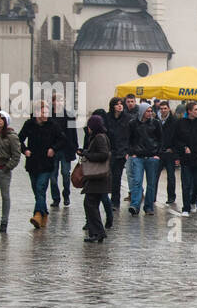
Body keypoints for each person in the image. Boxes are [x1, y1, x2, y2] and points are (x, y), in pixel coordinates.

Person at [20, 102, 61, 229]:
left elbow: (62, 139)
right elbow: (19, 139)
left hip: (47, 163)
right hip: (32, 162)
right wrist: (25, 150)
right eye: (43, 112)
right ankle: (44, 213)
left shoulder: (53, 125)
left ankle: (37, 214)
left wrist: (53, 148)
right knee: (37, 191)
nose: (46, 115)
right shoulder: (29, 124)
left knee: (40, 187)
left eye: (47, 113)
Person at [173, 101, 197, 215]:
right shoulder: (181, 123)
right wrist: (183, 148)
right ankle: (186, 207)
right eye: (196, 109)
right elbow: (176, 139)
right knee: (186, 184)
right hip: (186, 159)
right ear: (189, 111)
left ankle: (194, 200)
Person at [78, 114, 111, 243]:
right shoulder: (99, 136)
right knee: (91, 204)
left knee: (90, 204)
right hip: (98, 177)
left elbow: (103, 155)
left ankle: (98, 232)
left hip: (98, 176)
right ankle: (95, 232)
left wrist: (87, 154)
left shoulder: (99, 138)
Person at [127, 103, 161, 215]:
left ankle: (149, 206)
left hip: (152, 157)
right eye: (148, 111)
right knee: (137, 181)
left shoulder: (155, 123)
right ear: (142, 112)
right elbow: (129, 139)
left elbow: (161, 139)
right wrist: (132, 152)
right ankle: (135, 205)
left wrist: (157, 154)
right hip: (138, 157)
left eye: (151, 111)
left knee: (151, 183)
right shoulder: (133, 123)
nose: (150, 113)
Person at [49, 96, 78, 209]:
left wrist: (75, 147)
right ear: (53, 102)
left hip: (66, 149)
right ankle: (56, 198)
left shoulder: (69, 115)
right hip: (53, 150)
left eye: (61, 100)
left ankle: (66, 195)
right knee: (52, 176)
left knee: (66, 174)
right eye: (57, 100)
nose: (59, 103)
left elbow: (73, 132)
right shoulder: (49, 116)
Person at [106, 95, 134, 206]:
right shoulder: (107, 118)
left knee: (117, 177)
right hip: (109, 151)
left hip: (122, 152)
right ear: (112, 106)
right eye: (117, 104)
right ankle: (106, 199)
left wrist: (128, 151)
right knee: (108, 177)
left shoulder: (128, 118)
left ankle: (115, 202)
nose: (119, 106)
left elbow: (131, 136)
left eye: (121, 104)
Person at [154, 100, 178, 206]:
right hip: (158, 153)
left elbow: (178, 136)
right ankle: (152, 196)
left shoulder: (174, 121)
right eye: (161, 108)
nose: (163, 110)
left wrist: (174, 150)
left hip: (169, 152)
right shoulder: (155, 120)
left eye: (165, 108)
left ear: (168, 109)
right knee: (154, 176)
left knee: (171, 176)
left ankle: (171, 197)